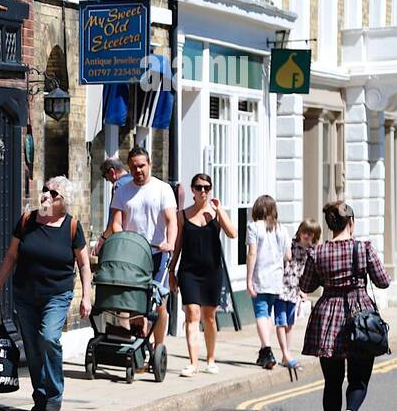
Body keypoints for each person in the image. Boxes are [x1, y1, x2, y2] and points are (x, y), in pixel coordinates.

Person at [0, 177, 92, 411]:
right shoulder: (27, 221)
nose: (45, 195)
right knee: (33, 349)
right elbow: (11, 256)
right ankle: (41, 396)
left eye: (52, 193)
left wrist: (86, 296)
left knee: (48, 338)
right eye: (44, 190)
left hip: (57, 295)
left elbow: (84, 264)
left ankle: (54, 393)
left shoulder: (72, 227)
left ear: (63, 201)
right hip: (25, 295)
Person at [300, 201, 390, 411]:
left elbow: (306, 286)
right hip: (360, 316)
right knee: (359, 379)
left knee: (332, 381)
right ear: (351, 223)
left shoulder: (317, 253)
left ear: (330, 225)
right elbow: (383, 282)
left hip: (328, 316)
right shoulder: (363, 249)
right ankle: (351, 410)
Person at [105, 146, 177, 347]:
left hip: (157, 253)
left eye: (142, 166)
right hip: (133, 256)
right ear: (129, 167)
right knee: (135, 304)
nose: (138, 170)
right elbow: (116, 221)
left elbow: (172, 220)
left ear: (149, 165)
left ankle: (159, 346)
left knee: (159, 303)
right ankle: (140, 347)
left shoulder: (163, 189)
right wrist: (120, 240)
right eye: (134, 167)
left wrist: (169, 243)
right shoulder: (122, 191)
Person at [169, 173, 236, 376]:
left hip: (212, 272)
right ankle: (193, 363)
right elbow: (178, 244)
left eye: (207, 187)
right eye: (199, 187)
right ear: (192, 190)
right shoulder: (182, 215)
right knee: (192, 314)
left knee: (209, 318)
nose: (203, 191)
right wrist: (171, 270)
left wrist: (220, 209)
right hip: (189, 271)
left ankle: (211, 359)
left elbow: (233, 233)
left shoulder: (215, 214)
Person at [246, 195, 292, 370]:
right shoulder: (282, 229)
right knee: (268, 316)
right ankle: (263, 352)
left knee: (261, 314)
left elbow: (252, 253)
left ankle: (266, 350)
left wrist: (249, 280)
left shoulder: (254, 227)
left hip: (260, 277)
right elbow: (288, 256)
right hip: (276, 279)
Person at [278, 218, 322, 370]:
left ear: (315, 236)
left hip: (295, 291)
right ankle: (285, 352)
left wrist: (303, 291)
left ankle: (287, 354)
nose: (306, 235)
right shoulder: (290, 245)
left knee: (290, 324)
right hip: (281, 287)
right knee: (281, 322)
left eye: (310, 233)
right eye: (304, 231)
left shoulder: (312, 252)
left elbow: (309, 275)